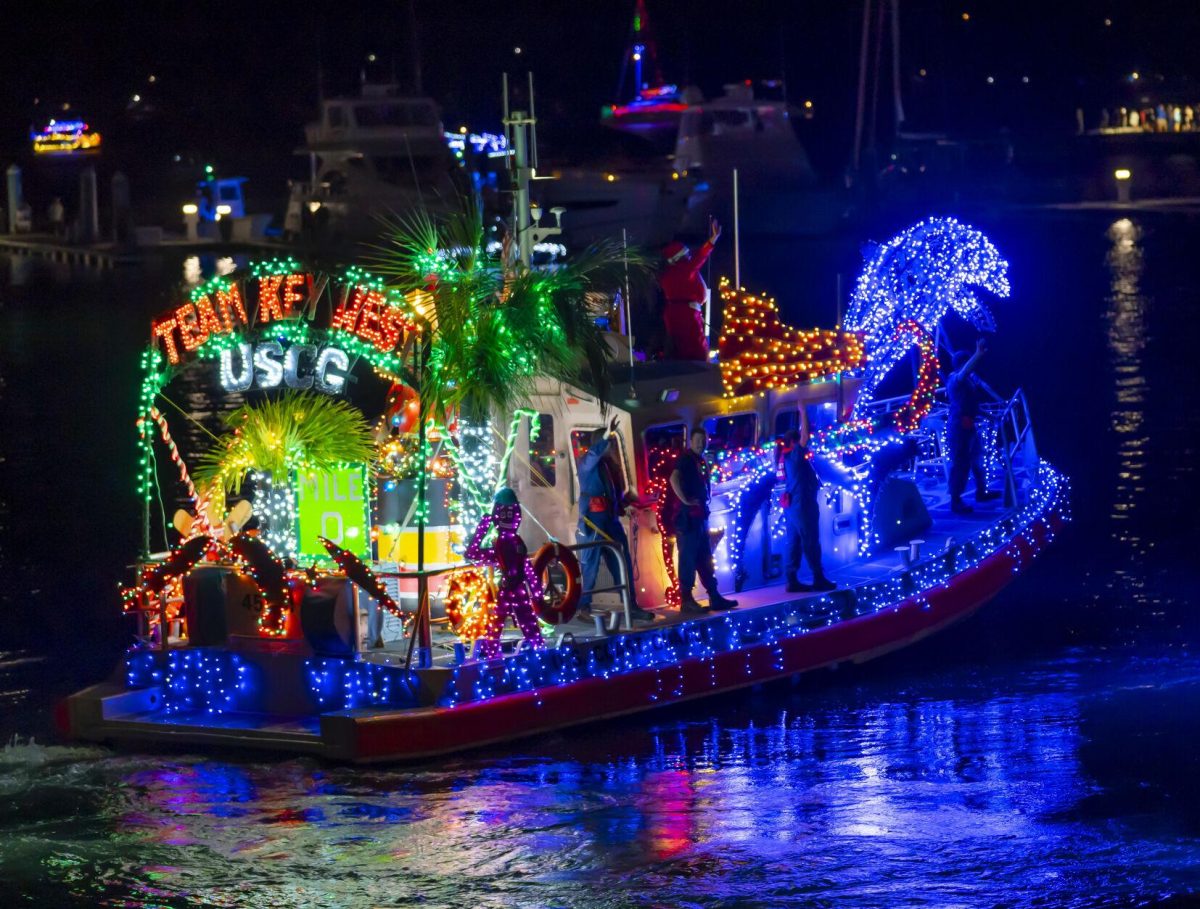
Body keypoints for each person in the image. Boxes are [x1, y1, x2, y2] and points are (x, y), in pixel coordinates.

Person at [575, 417, 655, 623]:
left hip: (610, 520)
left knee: (623, 562)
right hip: (592, 522)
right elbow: (593, 454)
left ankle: (631, 604)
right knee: (590, 565)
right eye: (607, 442)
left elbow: (613, 493)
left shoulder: (610, 467)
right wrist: (604, 436)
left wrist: (624, 506)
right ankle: (583, 606)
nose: (609, 447)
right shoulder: (586, 463)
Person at [464, 488, 546, 659]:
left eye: (511, 511)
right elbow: (471, 554)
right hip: (512, 588)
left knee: (504, 622)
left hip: (512, 588)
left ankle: (493, 654)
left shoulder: (510, 542)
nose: (507, 516)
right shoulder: (509, 543)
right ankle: (536, 651)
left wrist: (483, 528)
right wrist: (536, 590)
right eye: (504, 512)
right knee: (511, 622)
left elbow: (472, 553)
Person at [669, 427, 739, 613]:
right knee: (688, 559)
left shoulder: (699, 461)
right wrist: (685, 500)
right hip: (688, 518)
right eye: (698, 440)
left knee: (704, 558)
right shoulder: (685, 460)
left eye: (703, 440)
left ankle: (714, 596)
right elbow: (673, 478)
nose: (701, 443)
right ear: (691, 442)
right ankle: (686, 600)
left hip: (699, 518)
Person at [946, 338, 1001, 515]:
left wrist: (990, 415)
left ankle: (981, 492)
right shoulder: (956, 378)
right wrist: (978, 354)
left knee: (977, 460)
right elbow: (964, 372)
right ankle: (956, 501)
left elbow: (973, 406)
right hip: (959, 427)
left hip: (968, 425)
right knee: (960, 464)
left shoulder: (968, 382)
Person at [781, 417, 836, 593]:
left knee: (794, 543)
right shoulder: (796, 456)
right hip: (803, 505)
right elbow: (806, 436)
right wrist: (803, 412)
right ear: (794, 442)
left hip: (792, 507)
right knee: (811, 541)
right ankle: (818, 577)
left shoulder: (786, 458)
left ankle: (792, 580)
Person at [659, 217, 720, 360]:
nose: (689, 255)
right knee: (696, 348)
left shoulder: (666, 273)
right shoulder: (684, 268)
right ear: (679, 257)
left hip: (677, 312)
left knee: (678, 347)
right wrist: (712, 240)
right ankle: (700, 374)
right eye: (686, 253)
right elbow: (700, 256)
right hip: (687, 314)